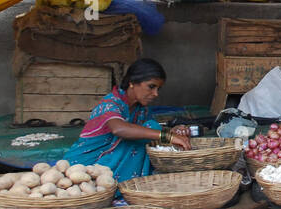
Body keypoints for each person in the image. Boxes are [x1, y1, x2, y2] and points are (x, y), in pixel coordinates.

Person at [63, 58, 191, 182]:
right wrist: (167, 136)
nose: (156, 94)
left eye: (158, 89)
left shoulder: (142, 110)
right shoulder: (110, 104)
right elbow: (119, 129)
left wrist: (173, 131)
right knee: (145, 135)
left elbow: (148, 131)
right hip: (83, 167)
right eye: (151, 87)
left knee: (152, 128)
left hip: (107, 166)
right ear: (132, 82)